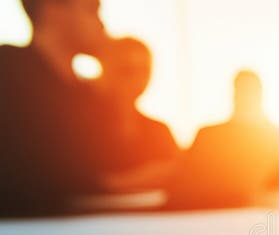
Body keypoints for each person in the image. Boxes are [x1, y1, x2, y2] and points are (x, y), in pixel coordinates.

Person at [0, 0, 118, 213]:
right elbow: (27, 174)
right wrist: (121, 183)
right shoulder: (8, 70)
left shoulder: (86, 93)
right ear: (52, 8)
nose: (102, 23)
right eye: (92, 9)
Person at [168, 70, 279, 208]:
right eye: (242, 91)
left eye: (251, 92)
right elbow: (186, 182)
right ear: (234, 94)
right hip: (210, 210)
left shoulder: (275, 137)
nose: (247, 97)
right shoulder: (208, 136)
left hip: (259, 211)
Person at [95, 37, 179, 192]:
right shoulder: (83, 125)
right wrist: (135, 180)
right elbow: (73, 180)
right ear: (106, 69)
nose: (137, 78)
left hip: (153, 215)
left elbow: (180, 176)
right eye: (127, 70)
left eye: (144, 70)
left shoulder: (159, 130)